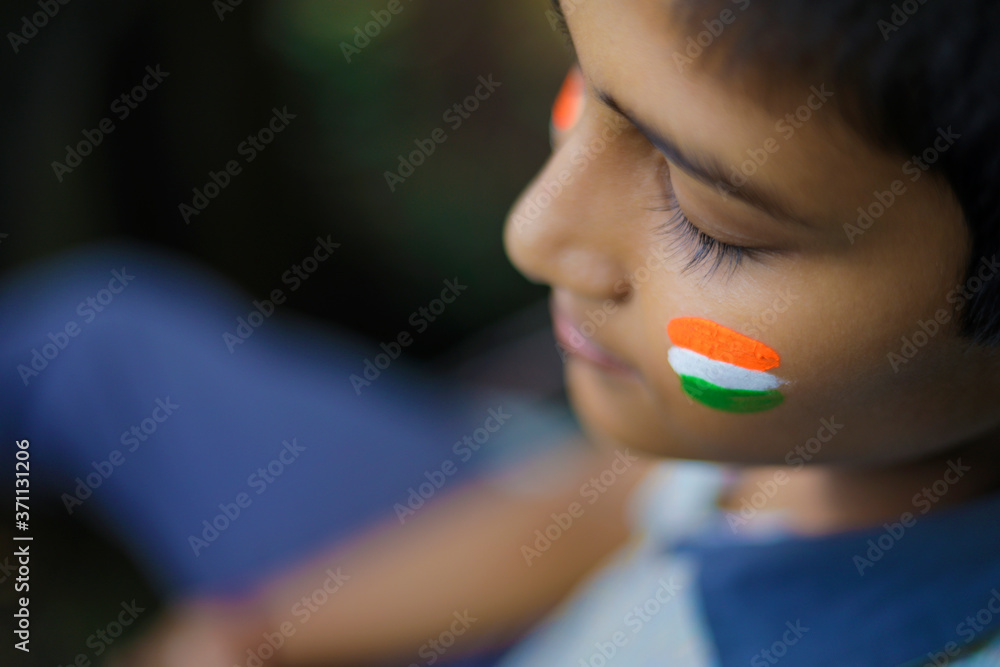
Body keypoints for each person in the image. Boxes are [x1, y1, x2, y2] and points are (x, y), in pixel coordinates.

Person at [117, 0, 1000, 664]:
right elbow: (607, 507)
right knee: (95, 327)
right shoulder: (777, 440)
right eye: (583, 86)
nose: (532, 230)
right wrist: (264, 632)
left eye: (710, 223)